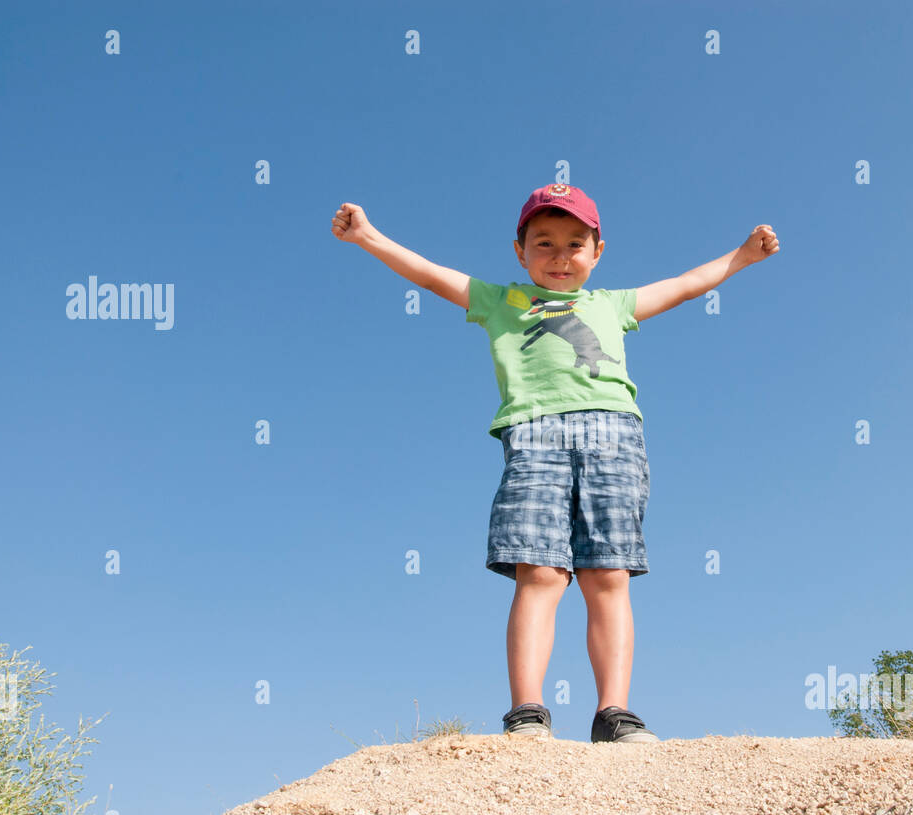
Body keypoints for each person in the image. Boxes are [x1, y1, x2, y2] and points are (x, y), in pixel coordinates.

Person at [331, 183, 779, 743]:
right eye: (543, 242)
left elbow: (686, 286)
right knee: (539, 572)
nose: (559, 256)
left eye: (574, 243)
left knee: (607, 574)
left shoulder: (611, 304)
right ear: (520, 251)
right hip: (534, 435)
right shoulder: (501, 300)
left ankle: (614, 712)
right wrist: (368, 237)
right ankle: (528, 710)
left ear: (597, 252)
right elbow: (429, 274)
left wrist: (742, 256)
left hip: (613, 435)